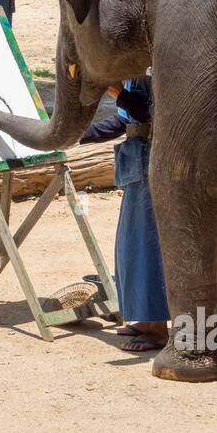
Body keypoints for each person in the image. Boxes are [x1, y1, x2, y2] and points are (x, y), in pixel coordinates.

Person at [79, 75, 169, 352]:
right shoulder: (133, 75)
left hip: (153, 164)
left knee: (147, 248)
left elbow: (157, 116)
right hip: (136, 164)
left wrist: (119, 94)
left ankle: (157, 329)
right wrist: (77, 135)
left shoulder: (155, 71)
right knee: (130, 248)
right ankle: (144, 319)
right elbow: (123, 122)